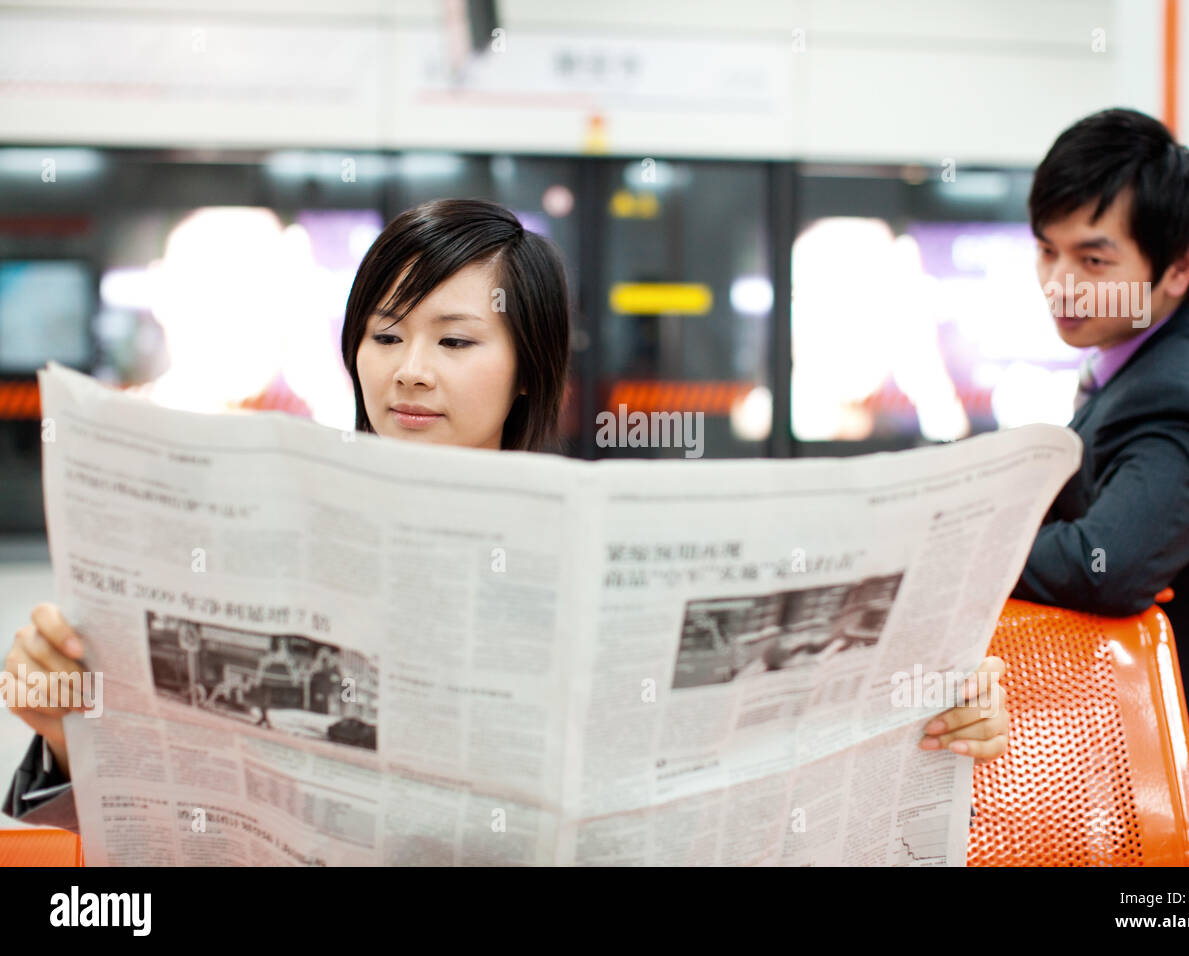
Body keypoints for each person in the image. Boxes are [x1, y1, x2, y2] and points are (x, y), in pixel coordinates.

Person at [4, 198, 1007, 836]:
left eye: (453, 338)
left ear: (527, 362)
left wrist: (933, 702)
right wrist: (63, 733)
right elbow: (158, 831)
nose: (408, 371)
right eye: (385, 334)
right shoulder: (249, 539)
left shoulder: (596, 552)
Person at [1011, 108, 1189, 857]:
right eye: (1047, 251)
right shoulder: (1187, 347)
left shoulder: (1180, 389)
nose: (1059, 285)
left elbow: (1108, 564)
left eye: (1093, 261)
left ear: (1179, 267)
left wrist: (959, 541)